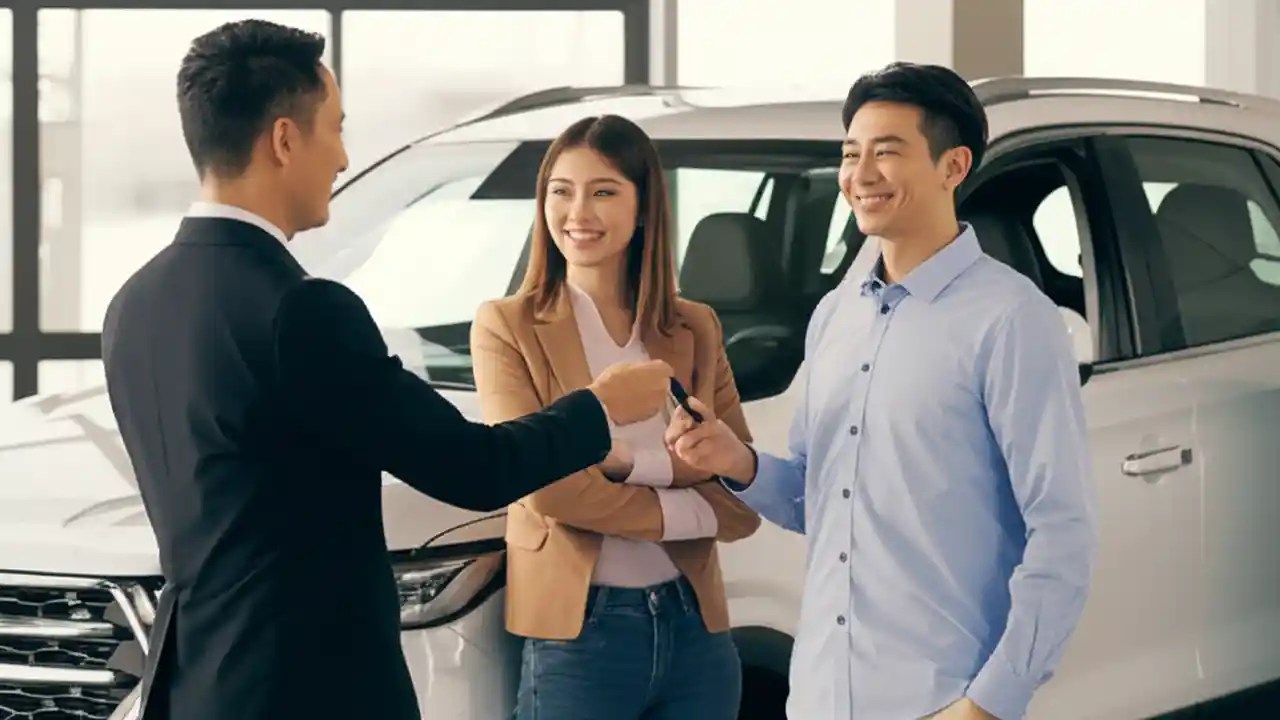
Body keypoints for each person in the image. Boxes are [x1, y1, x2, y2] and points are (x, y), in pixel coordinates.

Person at [101, 21, 673, 720]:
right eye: (335, 129)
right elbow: (472, 467)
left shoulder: (134, 302)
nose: (342, 158)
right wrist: (601, 405)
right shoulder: (301, 311)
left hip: (192, 688)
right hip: (308, 692)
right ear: (284, 139)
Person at [665, 62, 1100, 720]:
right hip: (822, 697)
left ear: (953, 167)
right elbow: (824, 498)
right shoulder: (837, 316)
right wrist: (738, 463)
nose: (860, 175)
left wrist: (990, 702)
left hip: (941, 700)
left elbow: (1064, 533)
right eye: (850, 154)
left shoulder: (1012, 320)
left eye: (886, 153)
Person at [469, 114, 762, 720]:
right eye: (561, 190)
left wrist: (625, 464)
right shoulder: (508, 326)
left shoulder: (695, 327)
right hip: (579, 634)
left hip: (694, 629)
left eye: (603, 191)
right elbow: (548, 488)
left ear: (644, 207)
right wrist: (686, 494)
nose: (579, 212)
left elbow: (740, 494)